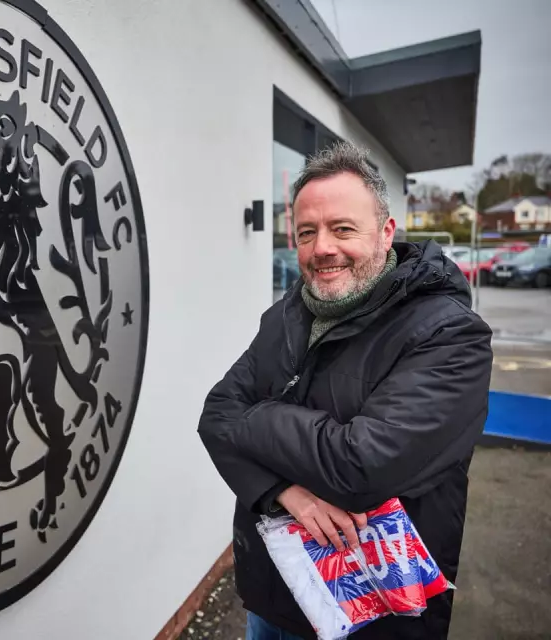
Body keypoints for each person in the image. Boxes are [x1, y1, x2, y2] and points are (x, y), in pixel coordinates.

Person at [198, 141, 493, 639]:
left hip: (374, 615)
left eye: (342, 229)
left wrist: (254, 417)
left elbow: (361, 466)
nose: (322, 248)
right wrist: (280, 491)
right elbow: (214, 415)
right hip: (271, 597)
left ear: (386, 232)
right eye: (307, 232)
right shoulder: (288, 313)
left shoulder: (450, 334)